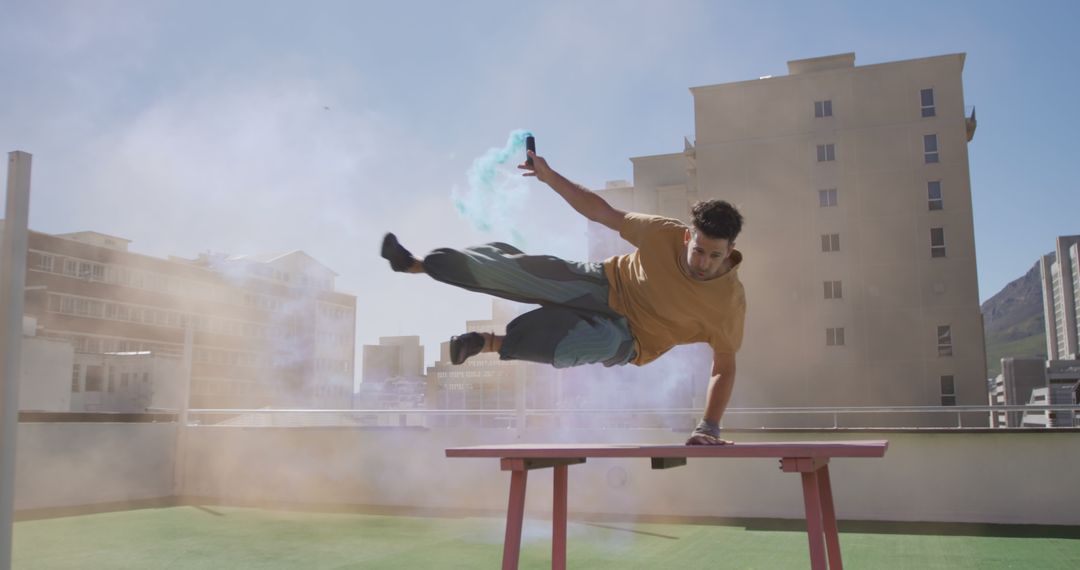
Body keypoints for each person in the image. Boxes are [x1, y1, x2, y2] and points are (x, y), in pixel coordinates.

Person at [381, 150, 745, 445]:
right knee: (524, 272)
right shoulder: (663, 232)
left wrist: (709, 426)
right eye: (699, 251)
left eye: (715, 256)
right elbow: (602, 212)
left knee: (582, 342)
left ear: (729, 252)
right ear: (688, 238)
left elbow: (723, 367)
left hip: (632, 337)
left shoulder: (727, 301)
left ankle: (488, 343)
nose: (704, 263)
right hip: (604, 282)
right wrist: (549, 176)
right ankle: (415, 264)